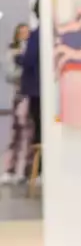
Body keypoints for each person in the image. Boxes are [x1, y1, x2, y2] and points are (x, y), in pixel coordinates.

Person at [2, 22, 32, 185]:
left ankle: (27, 171)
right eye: (22, 33)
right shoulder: (12, 52)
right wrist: (24, 68)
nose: (25, 36)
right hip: (19, 95)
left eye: (27, 33)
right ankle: (10, 169)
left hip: (31, 96)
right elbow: (9, 74)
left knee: (30, 134)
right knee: (17, 133)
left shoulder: (32, 50)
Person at [18, 2, 41, 183]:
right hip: (41, 91)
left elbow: (28, 60)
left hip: (36, 92)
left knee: (37, 131)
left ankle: (37, 171)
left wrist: (19, 57)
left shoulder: (36, 36)